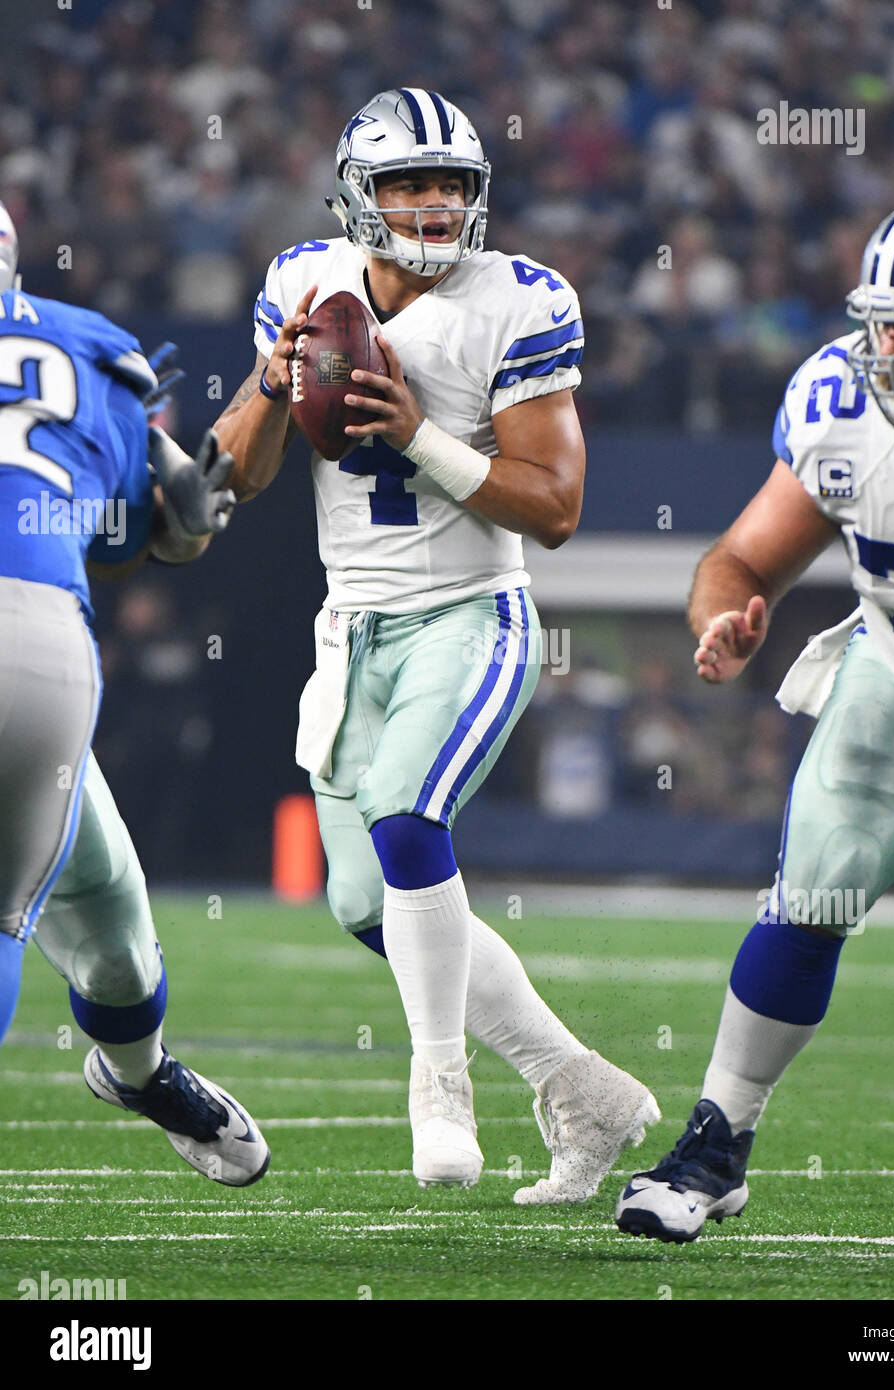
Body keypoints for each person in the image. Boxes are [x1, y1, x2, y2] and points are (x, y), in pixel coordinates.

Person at [213, 87, 659, 1200]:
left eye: (451, 184)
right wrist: (270, 387)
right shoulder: (301, 283)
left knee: (410, 811)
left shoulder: (519, 301)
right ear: (358, 195)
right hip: (351, 628)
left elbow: (552, 508)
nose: (431, 205)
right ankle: (581, 1088)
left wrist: (419, 438)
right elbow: (242, 474)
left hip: (472, 613)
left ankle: (439, 1084)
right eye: (408, 183)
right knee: (366, 903)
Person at [615, 192, 894, 1242]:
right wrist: (724, 618)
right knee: (809, 897)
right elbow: (741, 556)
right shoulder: (837, 405)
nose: (889, 352)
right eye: (880, 325)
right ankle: (715, 1142)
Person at [0, 201, 269, 1187]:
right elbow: (135, 539)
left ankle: (141, 1075)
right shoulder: (86, 346)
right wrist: (187, 513)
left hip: (32, 646)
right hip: (33, 648)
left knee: (113, 918)